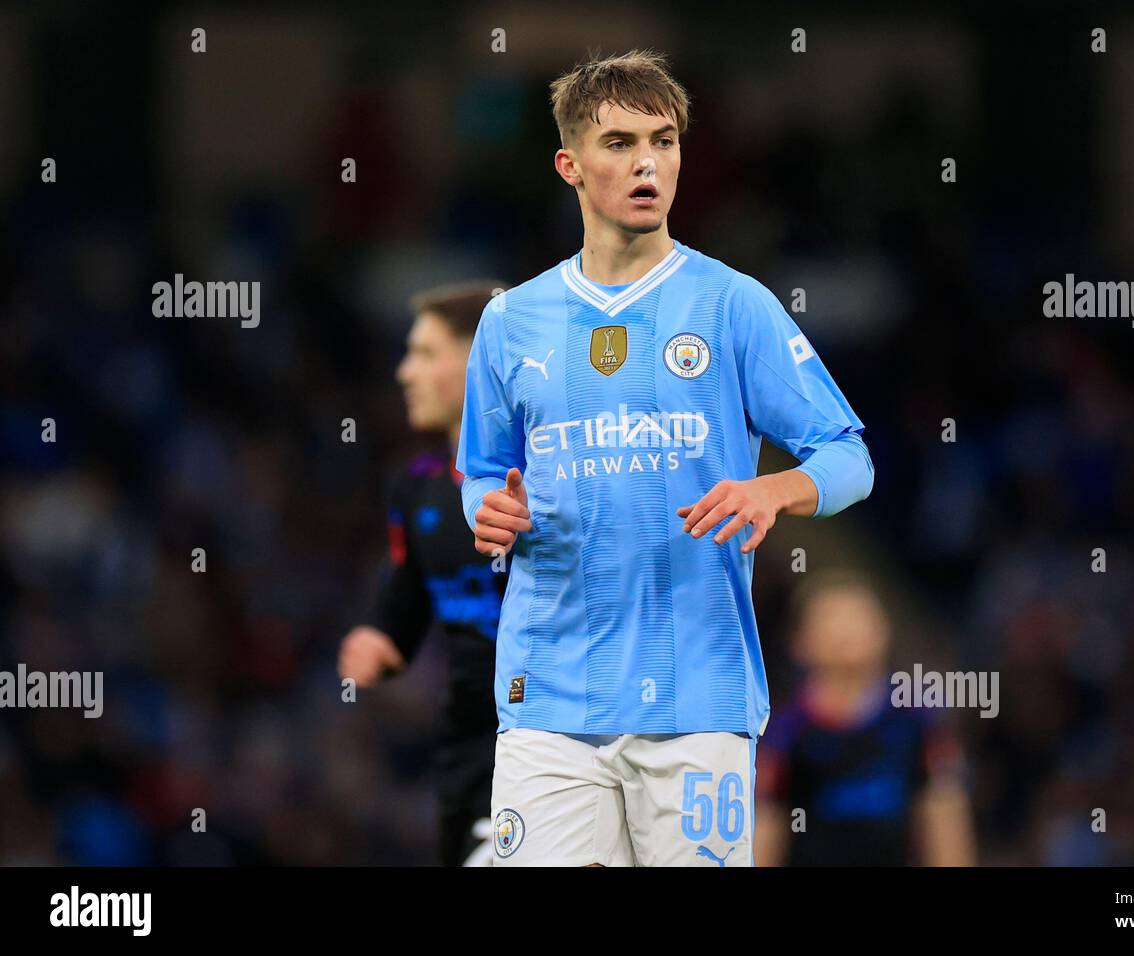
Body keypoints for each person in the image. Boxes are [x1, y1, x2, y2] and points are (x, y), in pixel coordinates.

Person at [457, 49, 875, 866]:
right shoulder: (511, 323)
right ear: (569, 165)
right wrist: (487, 510)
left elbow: (849, 456)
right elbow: (479, 473)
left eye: (665, 139)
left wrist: (774, 491)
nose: (648, 161)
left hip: (697, 697)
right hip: (547, 701)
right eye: (619, 143)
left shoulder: (733, 305)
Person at [338, 282, 509, 866]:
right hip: (467, 747)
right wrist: (383, 638)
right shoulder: (417, 489)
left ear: (483, 359)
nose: (405, 372)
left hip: (560, 738)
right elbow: (406, 602)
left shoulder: (554, 477)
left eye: (427, 354)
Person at [755, 571, 976, 866]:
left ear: (883, 630)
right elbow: (767, 827)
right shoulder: (785, 732)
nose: (846, 630)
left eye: (857, 617)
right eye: (831, 618)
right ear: (800, 641)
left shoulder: (916, 720)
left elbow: (945, 815)